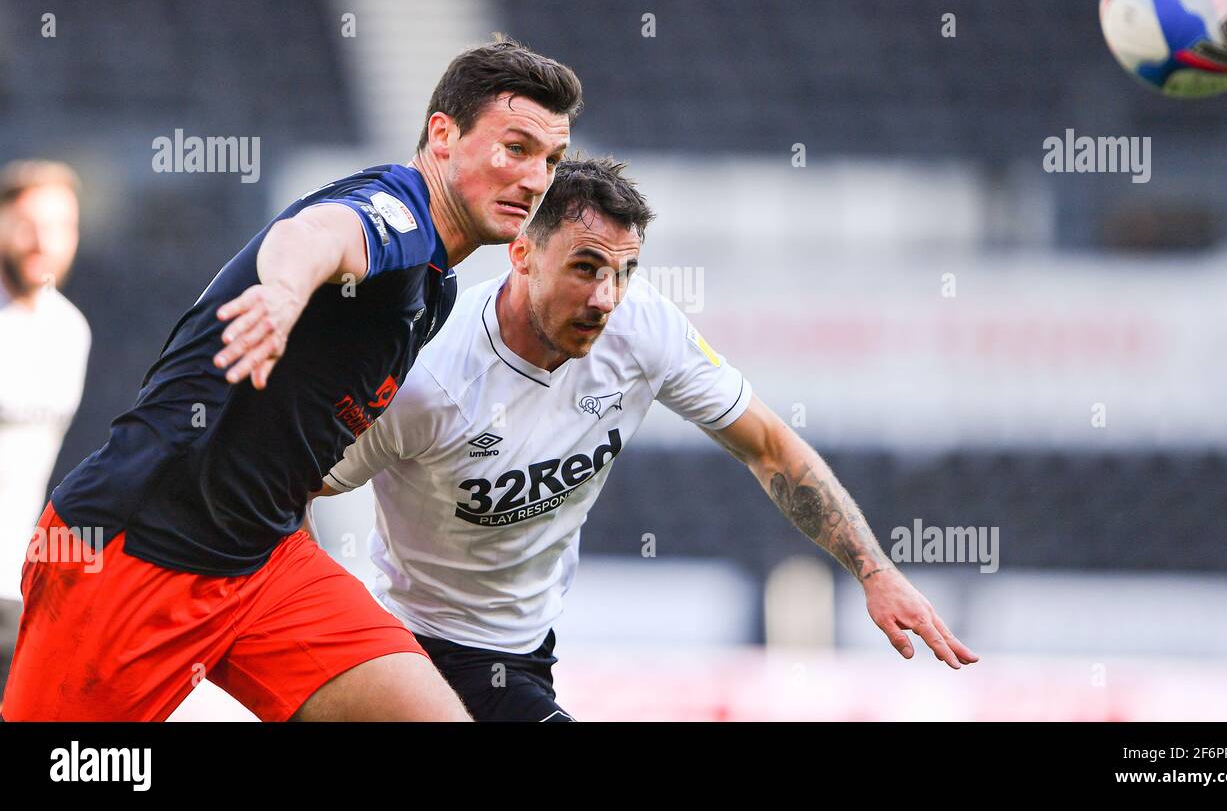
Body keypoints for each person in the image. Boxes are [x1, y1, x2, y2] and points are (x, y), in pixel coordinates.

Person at [1, 38, 580, 722]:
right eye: (515, 147)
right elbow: (320, 233)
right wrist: (280, 291)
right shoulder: (398, 212)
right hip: (136, 554)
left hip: (265, 564)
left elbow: (301, 433)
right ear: (443, 136)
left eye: (552, 160)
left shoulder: (437, 287)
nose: (536, 178)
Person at [315, 157, 978, 721]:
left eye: (624, 271)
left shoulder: (642, 329)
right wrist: (330, 639)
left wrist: (875, 571)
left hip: (526, 650)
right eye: (585, 267)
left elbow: (770, 446)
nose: (606, 296)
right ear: (522, 254)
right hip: (420, 649)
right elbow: (293, 487)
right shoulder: (429, 376)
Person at [0, 161, 90, 698]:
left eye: (59, 226)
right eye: (29, 223)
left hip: (14, 585)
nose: (43, 241)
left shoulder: (69, 331)